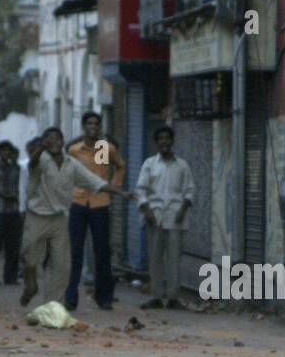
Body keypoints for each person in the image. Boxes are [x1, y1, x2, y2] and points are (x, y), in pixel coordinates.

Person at [20, 127, 128, 309]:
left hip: (61, 218)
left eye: (57, 139)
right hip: (37, 216)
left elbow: (93, 180)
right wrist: (40, 149)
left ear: (63, 141)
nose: (53, 142)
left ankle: (53, 306)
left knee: (62, 266)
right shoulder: (41, 159)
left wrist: (119, 191)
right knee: (29, 258)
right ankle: (30, 285)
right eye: (49, 139)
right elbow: (32, 163)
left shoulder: (73, 162)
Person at [65, 111, 126, 311]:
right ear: (84, 126)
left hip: (100, 203)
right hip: (78, 203)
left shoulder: (104, 149)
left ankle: (104, 297)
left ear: (100, 127)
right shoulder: (75, 150)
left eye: (96, 124)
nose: (93, 126)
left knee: (102, 252)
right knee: (75, 252)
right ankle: (71, 296)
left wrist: (114, 186)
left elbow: (120, 166)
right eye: (89, 123)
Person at [136, 126, 195, 310]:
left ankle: (172, 298)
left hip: (176, 217)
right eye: (160, 138)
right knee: (155, 259)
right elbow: (140, 190)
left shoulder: (182, 165)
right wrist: (147, 210)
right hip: (154, 216)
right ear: (157, 142)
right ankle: (156, 296)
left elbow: (190, 189)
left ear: (172, 141)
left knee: (174, 259)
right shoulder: (149, 164)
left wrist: (183, 209)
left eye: (167, 138)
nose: (164, 142)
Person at [0, 140, 22, 286]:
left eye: (8, 150)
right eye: (3, 150)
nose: (6, 153)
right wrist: (4, 195)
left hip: (14, 211)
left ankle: (11, 277)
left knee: (13, 246)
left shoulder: (16, 168)